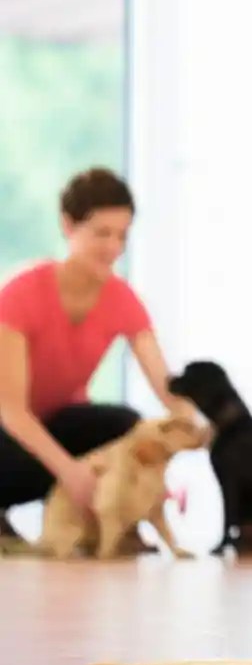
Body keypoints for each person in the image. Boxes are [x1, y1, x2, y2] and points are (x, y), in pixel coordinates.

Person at [0, 168, 190, 547]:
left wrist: (193, 436)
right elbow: (12, 411)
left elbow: (167, 388)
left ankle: (119, 522)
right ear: (68, 225)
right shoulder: (20, 296)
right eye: (102, 233)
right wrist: (70, 472)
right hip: (9, 428)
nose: (114, 248)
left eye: (122, 235)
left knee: (128, 425)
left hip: (56, 422)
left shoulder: (121, 298)